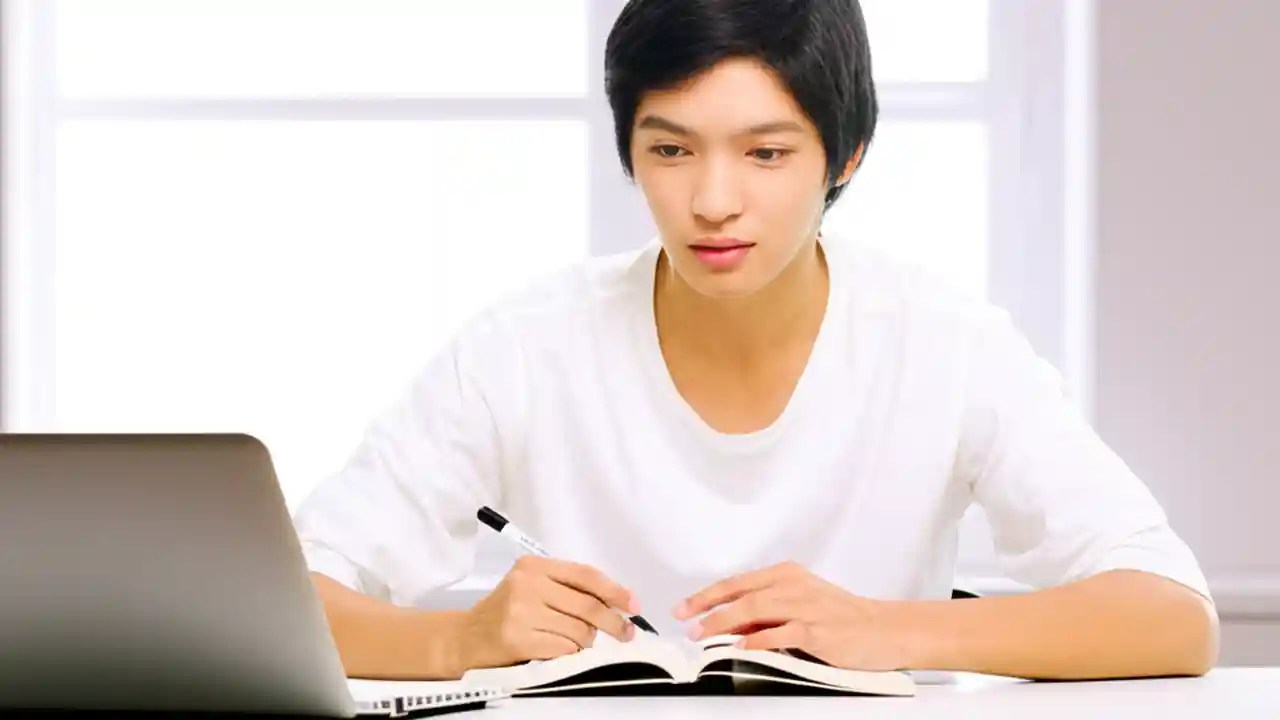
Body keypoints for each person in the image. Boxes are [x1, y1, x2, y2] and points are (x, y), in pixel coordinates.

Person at [293, 0, 1217, 681]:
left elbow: (1173, 617)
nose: (712, 200)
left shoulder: (946, 343)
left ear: (845, 157)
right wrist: (454, 641)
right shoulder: (524, 347)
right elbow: (285, 605)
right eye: (670, 149)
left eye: (766, 153)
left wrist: (891, 630)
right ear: (629, 153)